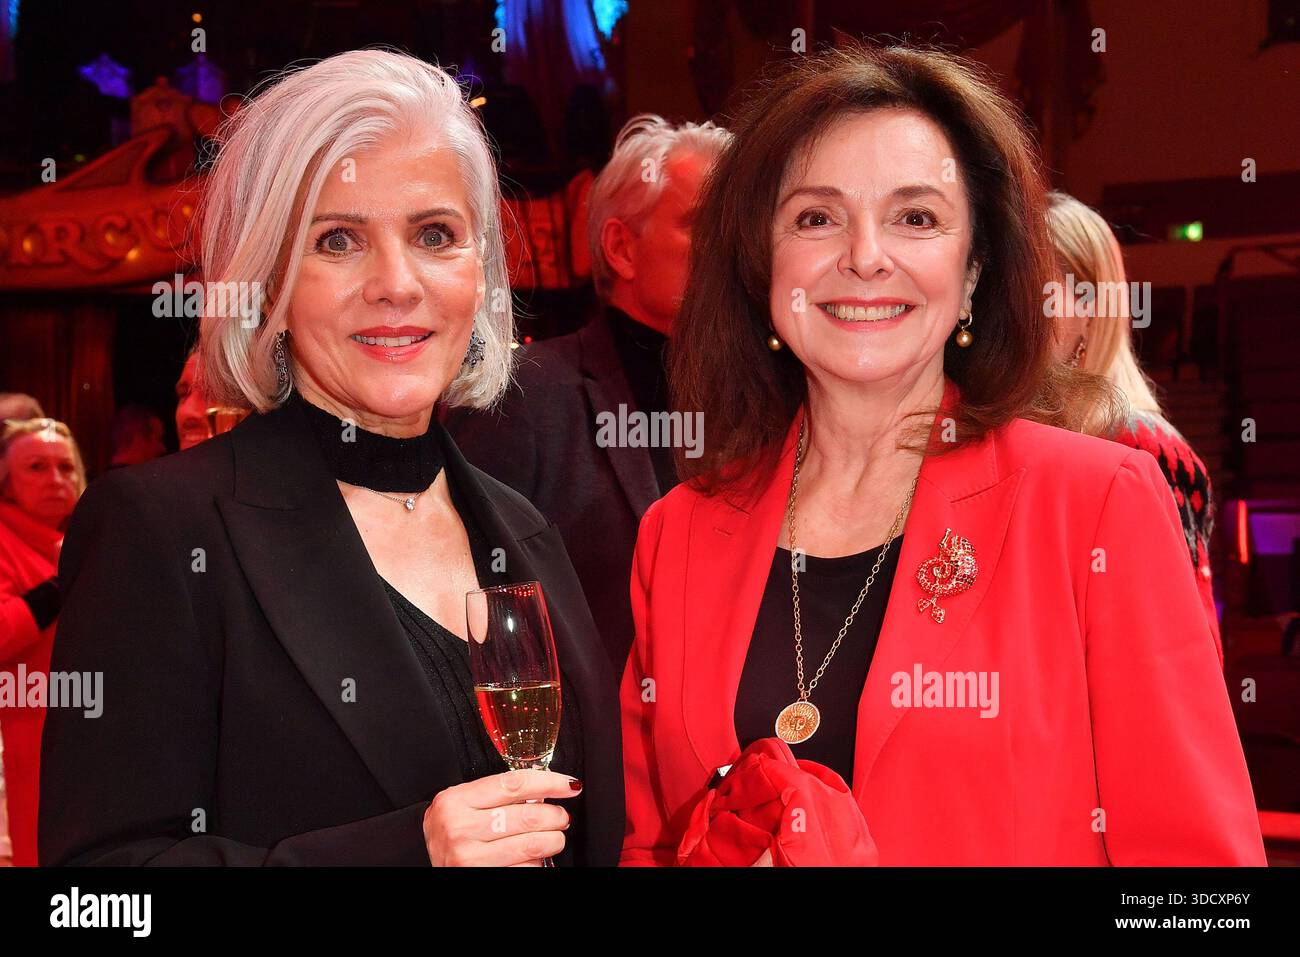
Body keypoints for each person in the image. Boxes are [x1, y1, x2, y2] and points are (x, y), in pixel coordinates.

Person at [620, 43, 1264, 866]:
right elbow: (645, 846)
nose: (865, 256)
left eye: (915, 217)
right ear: (761, 266)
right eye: (816, 218)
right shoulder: (675, 534)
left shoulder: (1096, 504)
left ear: (972, 276)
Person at [39, 50, 622, 867]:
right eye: (339, 239)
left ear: (479, 273)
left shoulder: (523, 528)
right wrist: (404, 855)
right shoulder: (161, 531)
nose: (396, 283)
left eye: (434, 235)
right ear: (271, 281)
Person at [450, 115, 731, 672]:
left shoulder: (773, 400)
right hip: (582, 749)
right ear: (622, 248)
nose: (732, 251)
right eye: (704, 225)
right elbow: (463, 609)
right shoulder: (524, 397)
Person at [1046, 191, 1221, 661]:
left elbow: (1187, 652)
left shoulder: (1148, 449)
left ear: (1090, 308)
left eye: (1036, 289)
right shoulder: (996, 438)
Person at [0, 418, 86, 867]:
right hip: (25, 730)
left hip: (82, 720)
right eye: (36, 467)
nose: (56, 480)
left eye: (65, 468)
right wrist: (55, 589)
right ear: (7, 483)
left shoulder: (70, 540)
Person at [107, 404, 166, 468]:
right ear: (139, 439)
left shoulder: (104, 477)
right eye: (159, 439)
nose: (163, 448)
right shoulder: (139, 477)